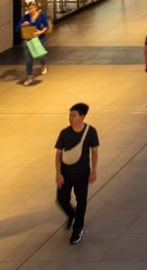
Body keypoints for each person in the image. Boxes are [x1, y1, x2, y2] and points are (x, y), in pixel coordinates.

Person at [54, 102, 100, 246]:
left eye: (73, 115)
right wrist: (58, 173)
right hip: (65, 173)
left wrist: (93, 171)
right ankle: (71, 213)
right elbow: (58, 154)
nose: (70, 118)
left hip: (82, 174)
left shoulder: (91, 131)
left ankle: (77, 229)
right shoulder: (64, 133)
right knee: (61, 199)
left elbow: (94, 151)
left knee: (81, 201)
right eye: (70, 115)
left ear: (82, 116)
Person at [18, 0, 50, 86]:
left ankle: (43, 65)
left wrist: (41, 32)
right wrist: (22, 24)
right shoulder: (26, 17)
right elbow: (17, 28)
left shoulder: (41, 15)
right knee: (28, 59)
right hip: (28, 40)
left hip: (39, 38)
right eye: (29, 9)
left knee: (40, 54)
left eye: (32, 8)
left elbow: (46, 26)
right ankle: (29, 77)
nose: (31, 10)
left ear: (36, 8)